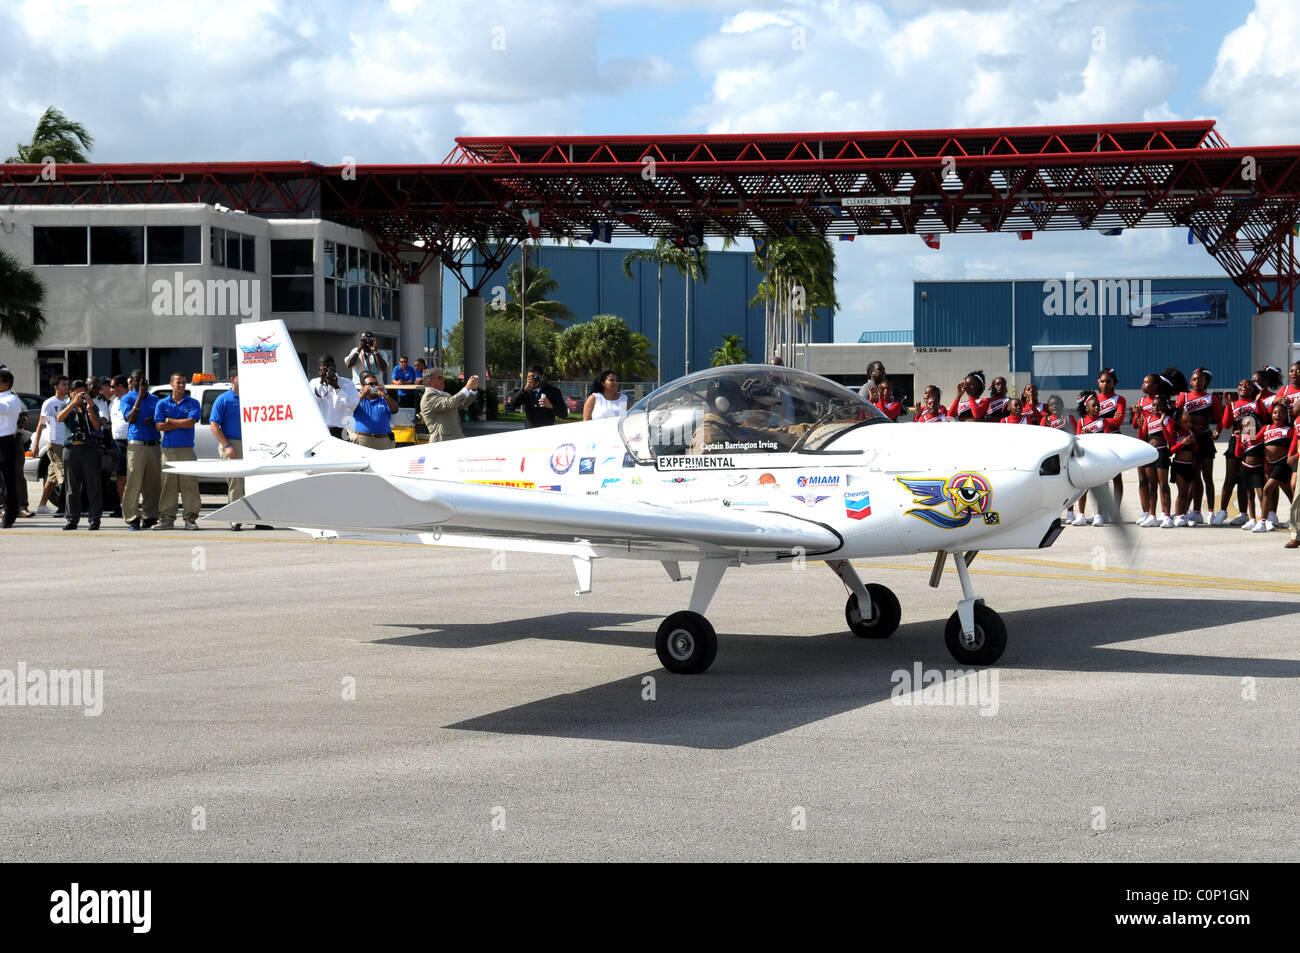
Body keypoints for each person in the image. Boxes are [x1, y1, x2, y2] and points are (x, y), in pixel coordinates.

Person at [153, 372, 202, 531]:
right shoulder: (162, 404)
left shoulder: (193, 403)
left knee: (190, 485)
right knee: (168, 485)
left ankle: (190, 519)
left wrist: (169, 420)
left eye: (183, 382)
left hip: (187, 450)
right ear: (171, 384)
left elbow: (190, 423)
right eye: (178, 382)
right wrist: (180, 422)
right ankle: (167, 519)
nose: (181, 385)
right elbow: (159, 426)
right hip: (168, 450)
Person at [1176, 367, 1221, 525]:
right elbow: (1178, 418)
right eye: (1194, 379)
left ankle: (1210, 512)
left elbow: (1220, 419)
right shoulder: (1184, 396)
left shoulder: (1211, 398)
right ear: (1190, 381)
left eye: (1200, 379)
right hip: (1191, 440)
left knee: (1207, 477)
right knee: (1194, 477)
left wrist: (1217, 432)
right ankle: (1195, 511)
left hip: (1206, 439)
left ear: (1205, 381)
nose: (1197, 382)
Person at [56, 379, 103, 531]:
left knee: (93, 486)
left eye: (83, 393)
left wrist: (89, 408)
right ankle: (72, 519)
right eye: (76, 393)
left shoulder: (91, 406)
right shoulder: (65, 405)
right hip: (71, 450)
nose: (80, 396)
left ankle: (94, 519)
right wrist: (72, 404)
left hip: (89, 449)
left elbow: (96, 427)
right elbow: (59, 418)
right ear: (71, 393)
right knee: (72, 487)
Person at [1218, 379, 1265, 527]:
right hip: (1236, 441)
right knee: (1230, 478)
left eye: (1247, 385)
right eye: (1240, 385)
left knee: (1246, 480)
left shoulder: (1256, 403)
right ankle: (1222, 512)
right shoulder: (1232, 404)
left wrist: (1257, 403)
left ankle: (1247, 515)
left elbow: (1262, 420)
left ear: (1252, 389)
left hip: (1251, 443)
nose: (1243, 387)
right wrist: (1227, 406)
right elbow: (1226, 425)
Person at [1244, 398, 1293, 533]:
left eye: (1281, 413)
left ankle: (1262, 521)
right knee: (1289, 492)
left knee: (1267, 490)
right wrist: (1248, 429)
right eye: (1275, 412)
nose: (1278, 415)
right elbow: (1253, 442)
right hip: (1271, 466)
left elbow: (1295, 445)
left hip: (1283, 464)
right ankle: (1296, 516)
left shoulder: (1288, 430)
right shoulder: (1266, 428)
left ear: (1286, 416)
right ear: (1271, 415)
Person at [209, 372, 246, 530]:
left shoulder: (251, 398)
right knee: (235, 483)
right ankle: (235, 518)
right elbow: (214, 425)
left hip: (251, 445)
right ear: (232, 379)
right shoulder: (223, 399)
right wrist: (227, 446)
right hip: (233, 445)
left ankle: (258, 519)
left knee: (253, 482)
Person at [1135, 387, 1175, 528]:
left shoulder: (1168, 419)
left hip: (1162, 453)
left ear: (1164, 407)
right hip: (1150, 454)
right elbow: (1143, 437)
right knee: (1152, 486)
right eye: (1154, 405)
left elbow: (1170, 439)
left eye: (1159, 405)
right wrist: (1140, 426)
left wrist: (1163, 424)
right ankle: (1152, 515)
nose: (1155, 407)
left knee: (1163, 485)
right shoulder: (1147, 419)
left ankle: (1166, 515)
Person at [30, 375, 70, 515]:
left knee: (52, 476)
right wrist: (35, 445)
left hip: (64, 441)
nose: (66, 387)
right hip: (54, 442)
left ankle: (42, 505)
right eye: (63, 384)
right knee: (64, 474)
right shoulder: (49, 403)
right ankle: (66, 507)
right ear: (56, 387)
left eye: (67, 384)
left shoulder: (67, 401)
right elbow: (40, 425)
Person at [1095, 368, 1127, 518]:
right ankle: (1100, 513)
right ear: (1098, 382)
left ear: (1114, 383)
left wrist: (1099, 420)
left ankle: (1115, 512)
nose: (1106, 384)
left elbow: (1118, 421)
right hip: (1098, 441)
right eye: (1103, 381)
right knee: (1101, 477)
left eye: (1109, 381)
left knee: (1116, 476)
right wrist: (1108, 420)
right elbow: (1087, 421)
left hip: (1114, 439)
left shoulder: (1119, 400)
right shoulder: (1093, 400)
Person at [1071, 392, 1107, 526]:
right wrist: (1084, 436)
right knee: (1083, 488)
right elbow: (1078, 440)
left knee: (1100, 487)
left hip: (1100, 459)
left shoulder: (1103, 422)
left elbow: (1107, 439)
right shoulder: (1081, 422)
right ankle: (1081, 515)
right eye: (1094, 406)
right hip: (1086, 459)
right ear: (1087, 408)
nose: (1097, 408)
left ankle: (1099, 515)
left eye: (1098, 406)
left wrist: (1094, 436)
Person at [419, 368, 480, 442]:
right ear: (430, 380)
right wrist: (467, 388)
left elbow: (461, 404)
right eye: (440, 378)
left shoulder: (444, 394)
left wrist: (472, 390)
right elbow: (450, 404)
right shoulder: (428, 397)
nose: (443, 380)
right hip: (442, 441)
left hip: (455, 437)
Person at [310, 356, 359, 440]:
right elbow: (310, 405)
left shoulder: (347, 383)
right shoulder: (314, 383)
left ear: (334, 366)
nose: (327, 371)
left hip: (341, 431)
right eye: (324, 369)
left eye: (329, 367)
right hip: (321, 430)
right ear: (319, 370)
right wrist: (322, 382)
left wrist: (336, 387)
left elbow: (352, 405)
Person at [1167, 408, 1201, 527]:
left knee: (1187, 493)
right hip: (1179, 465)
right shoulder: (1176, 434)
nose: (1189, 424)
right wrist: (1182, 443)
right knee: (1181, 493)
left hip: (1189, 465)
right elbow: (1170, 451)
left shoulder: (1191, 433)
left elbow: (1195, 451)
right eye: (1185, 422)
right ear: (1178, 423)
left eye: (1190, 422)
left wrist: (1194, 443)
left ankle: (1184, 514)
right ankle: (1177, 515)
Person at [0, 369, 22, 527]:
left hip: (5, 442)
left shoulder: (12, 398)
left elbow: (4, 409)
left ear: (6, 383)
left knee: (8, 481)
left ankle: (10, 515)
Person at [352, 373, 398, 449]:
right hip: (363, 440)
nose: (374, 386)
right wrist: (363, 394)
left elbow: (395, 409)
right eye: (370, 384)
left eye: (376, 384)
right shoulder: (359, 399)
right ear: (362, 387)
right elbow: (351, 408)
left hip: (383, 441)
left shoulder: (384, 399)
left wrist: (385, 395)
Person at [108, 375, 130, 510]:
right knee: (120, 475)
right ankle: (123, 504)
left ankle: (134, 504)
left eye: (113, 387)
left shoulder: (130, 399)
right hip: (117, 443)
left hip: (131, 442)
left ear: (120, 387)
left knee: (133, 474)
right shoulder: (113, 402)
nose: (111, 390)